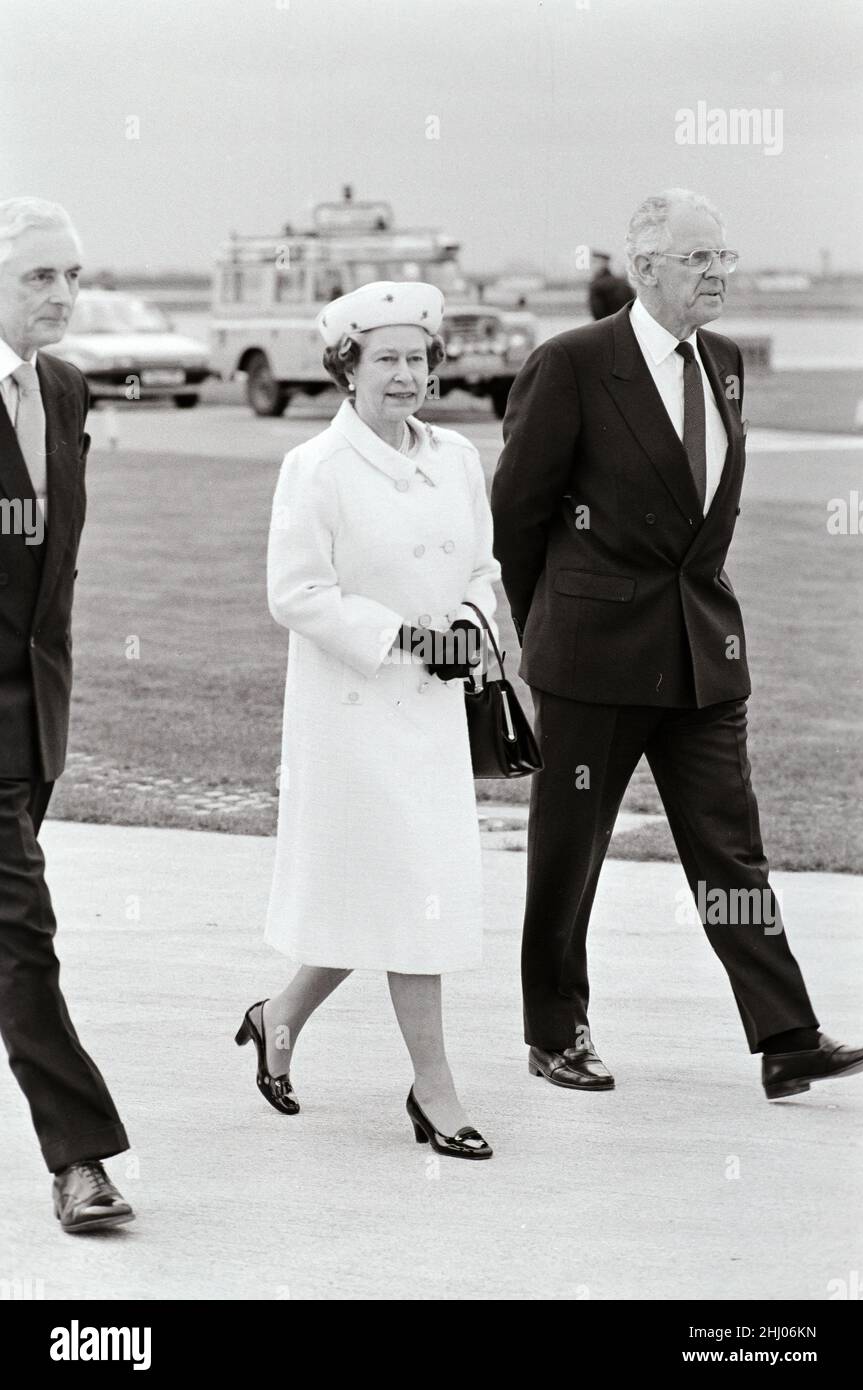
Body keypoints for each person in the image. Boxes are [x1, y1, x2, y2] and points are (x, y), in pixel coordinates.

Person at [491, 188, 863, 1101]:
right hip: (591, 657)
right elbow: (514, 517)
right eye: (699, 259)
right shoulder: (573, 364)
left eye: (722, 258)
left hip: (701, 650)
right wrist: (553, 626)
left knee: (729, 852)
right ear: (645, 266)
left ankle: (784, 1036)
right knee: (570, 851)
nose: (717, 274)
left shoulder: (725, 362)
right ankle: (554, 1031)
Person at [237, 281, 499, 1159]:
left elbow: (482, 568)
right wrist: (403, 639)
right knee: (406, 892)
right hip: (350, 716)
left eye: (417, 357)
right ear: (345, 369)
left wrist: (467, 625)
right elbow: (296, 594)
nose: (405, 374)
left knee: (384, 892)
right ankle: (435, 1091)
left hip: (433, 715)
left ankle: (275, 1017)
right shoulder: (315, 468)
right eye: (384, 358)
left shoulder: (458, 457)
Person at [0, 198, 133, 1230]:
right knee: (21, 934)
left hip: (36, 713)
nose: (62, 294)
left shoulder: (65, 387)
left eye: (71, 275)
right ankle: (79, 1157)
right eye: (40, 275)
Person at [588, 250, 633, 320]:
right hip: (624, 323)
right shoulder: (622, 282)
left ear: (603, 263)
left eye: (594, 262)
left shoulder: (596, 285)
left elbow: (597, 312)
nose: (592, 266)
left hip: (605, 325)